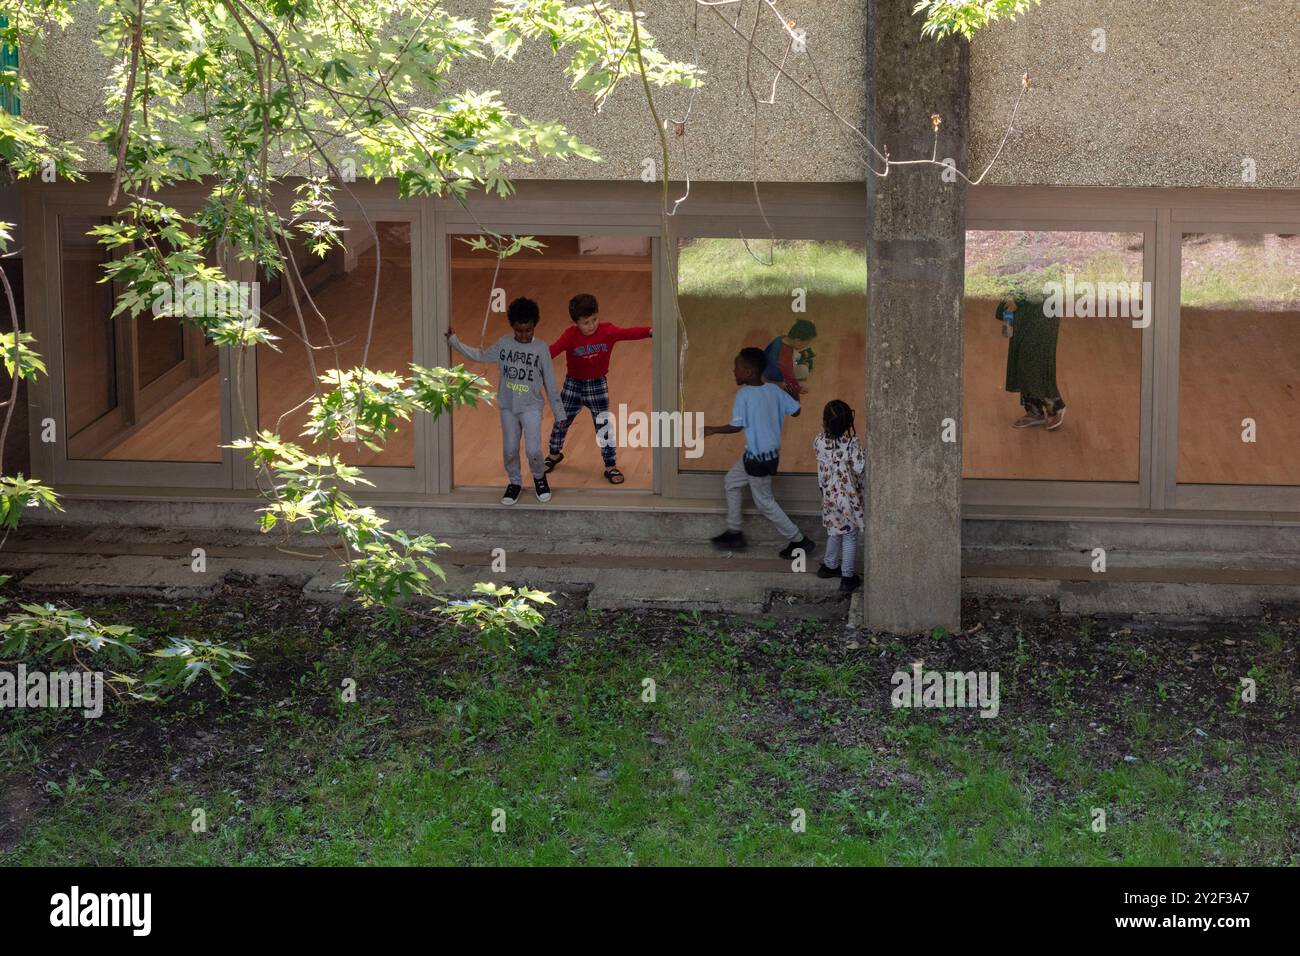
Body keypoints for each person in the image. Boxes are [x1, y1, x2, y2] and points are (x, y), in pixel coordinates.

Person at [448, 297, 564, 505]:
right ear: (512, 327)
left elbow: (550, 382)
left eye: (528, 330)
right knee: (510, 449)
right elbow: (481, 356)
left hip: (531, 408)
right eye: (519, 330)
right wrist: (455, 342)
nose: (524, 335)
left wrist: (559, 413)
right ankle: (515, 482)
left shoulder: (540, 349)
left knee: (533, 450)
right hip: (508, 407)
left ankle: (539, 478)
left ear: (534, 326)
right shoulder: (504, 344)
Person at [704, 347, 816, 559]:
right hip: (764, 456)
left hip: (757, 460)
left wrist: (712, 429)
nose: (733, 371)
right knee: (731, 482)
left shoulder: (744, 395)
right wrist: (795, 397)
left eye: (736, 368)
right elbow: (796, 411)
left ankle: (799, 540)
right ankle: (734, 531)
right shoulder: (774, 391)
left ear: (749, 371)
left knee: (765, 503)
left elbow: (737, 426)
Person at [545, 293, 652, 484]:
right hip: (573, 385)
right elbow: (551, 351)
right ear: (575, 322)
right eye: (586, 322)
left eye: (594, 319)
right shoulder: (570, 335)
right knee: (561, 420)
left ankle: (610, 466)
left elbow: (629, 333)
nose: (591, 325)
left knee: (604, 426)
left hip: (597, 385)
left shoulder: (608, 331)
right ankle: (554, 454)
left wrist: (650, 331)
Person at [813, 399, 865, 593]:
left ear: (825, 422)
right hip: (847, 499)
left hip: (828, 496)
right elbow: (860, 467)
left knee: (834, 531)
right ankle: (847, 577)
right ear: (848, 422)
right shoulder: (851, 443)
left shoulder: (818, 441)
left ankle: (829, 566)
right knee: (850, 535)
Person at [998, 295, 1066, 430]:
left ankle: (1055, 406)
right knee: (1022, 358)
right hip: (1024, 310)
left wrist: (1017, 299)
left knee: (1037, 359)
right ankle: (1035, 410)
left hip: (1042, 310)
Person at [762, 319, 818, 399]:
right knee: (803, 371)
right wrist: (799, 389)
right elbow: (789, 376)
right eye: (806, 343)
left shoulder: (782, 339)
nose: (806, 345)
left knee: (800, 363)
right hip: (769, 380)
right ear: (798, 340)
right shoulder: (785, 355)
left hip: (766, 370)